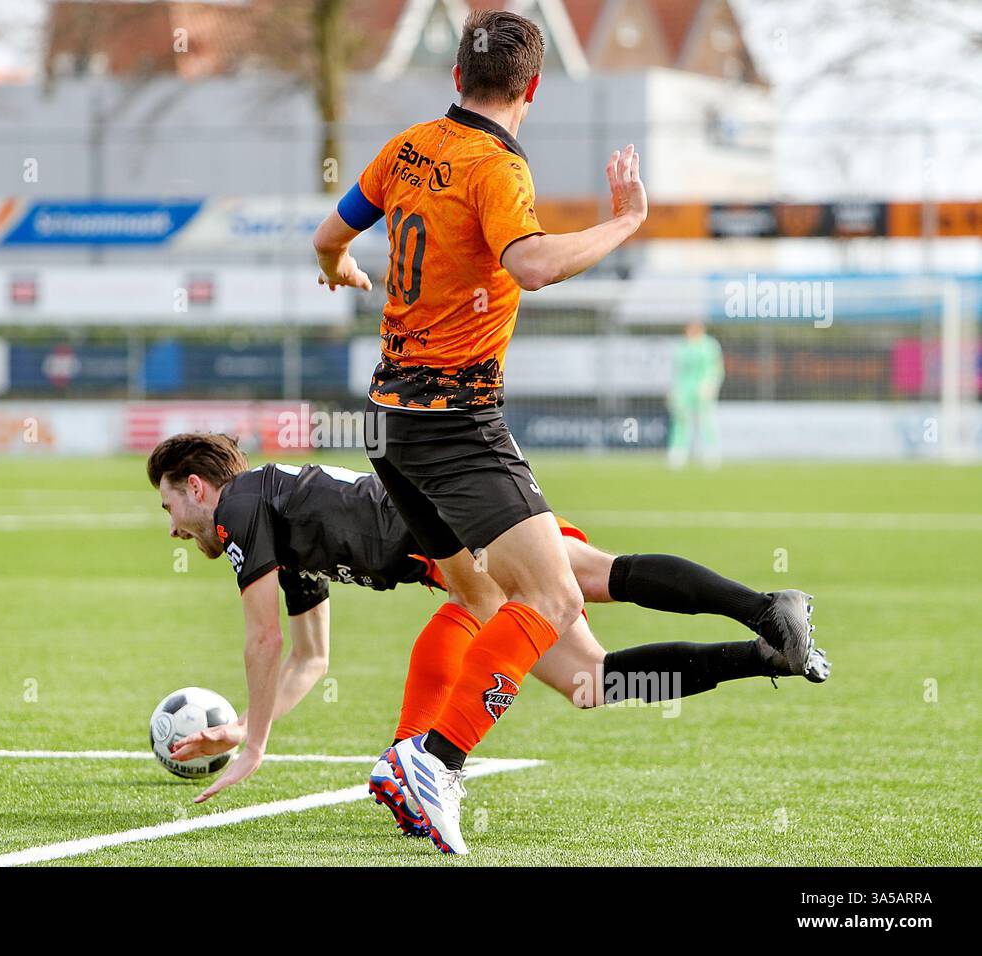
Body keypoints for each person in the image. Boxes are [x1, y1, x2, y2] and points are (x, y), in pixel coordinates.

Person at [311, 9, 816, 853]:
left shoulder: (404, 149)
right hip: (458, 428)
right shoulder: (498, 166)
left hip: (394, 429)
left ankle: (768, 624)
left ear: (454, 78)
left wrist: (338, 268)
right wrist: (626, 222)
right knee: (554, 595)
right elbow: (533, 265)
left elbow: (330, 236)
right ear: (533, 89)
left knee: (556, 619)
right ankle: (433, 759)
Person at [145, 433, 826, 814]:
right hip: (451, 554)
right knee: (593, 681)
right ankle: (766, 653)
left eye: (169, 505)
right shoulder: (276, 530)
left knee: (596, 575)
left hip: (457, 536)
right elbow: (306, 659)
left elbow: (263, 639)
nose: (174, 528)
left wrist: (257, 749)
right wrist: (241, 730)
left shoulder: (240, 508)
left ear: (196, 487)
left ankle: (768, 609)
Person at [668, 320, 725, 469]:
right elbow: (678, 371)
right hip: (684, 389)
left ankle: (711, 453)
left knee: (706, 420)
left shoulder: (709, 345)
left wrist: (711, 385)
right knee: (681, 421)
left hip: (702, 388)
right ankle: (678, 453)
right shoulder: (683, 346)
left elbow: (716, 368)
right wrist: (675, 390)